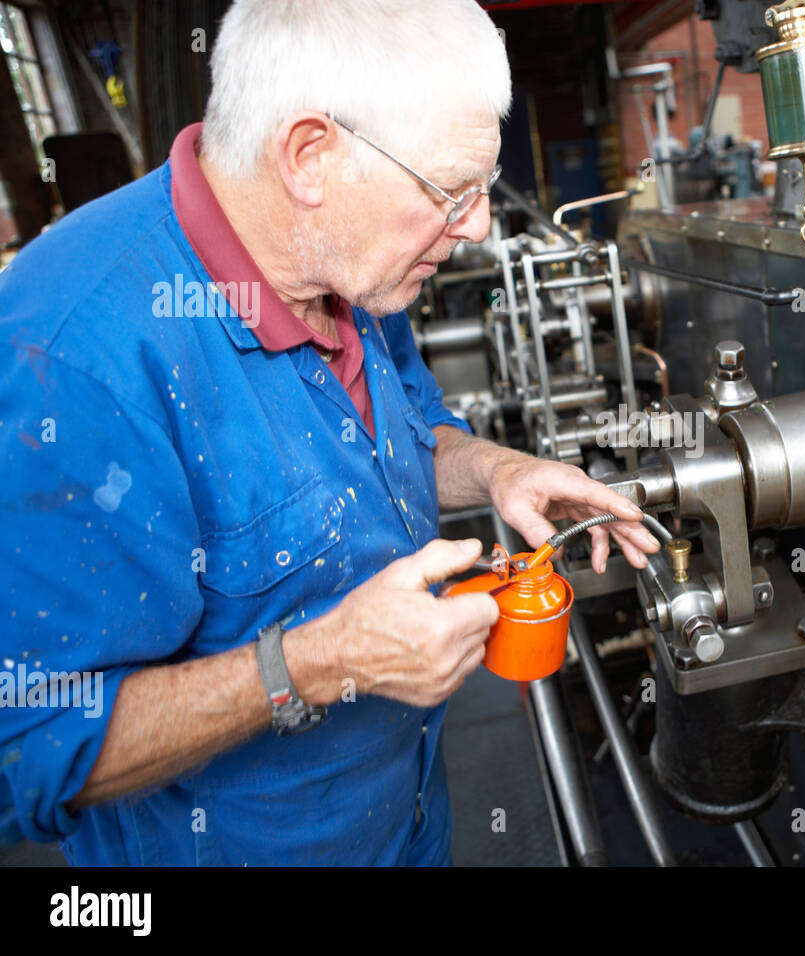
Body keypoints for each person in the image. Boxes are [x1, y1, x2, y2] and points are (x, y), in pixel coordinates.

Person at [0, 0, 658, 865]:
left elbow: (408, 426)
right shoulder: (74, 355)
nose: (478, 228)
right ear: (312, 156)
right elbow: (29, 751)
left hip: (412, 818)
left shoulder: (350, 261)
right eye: (450, 192)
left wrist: (498, 471)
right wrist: (318, 663)